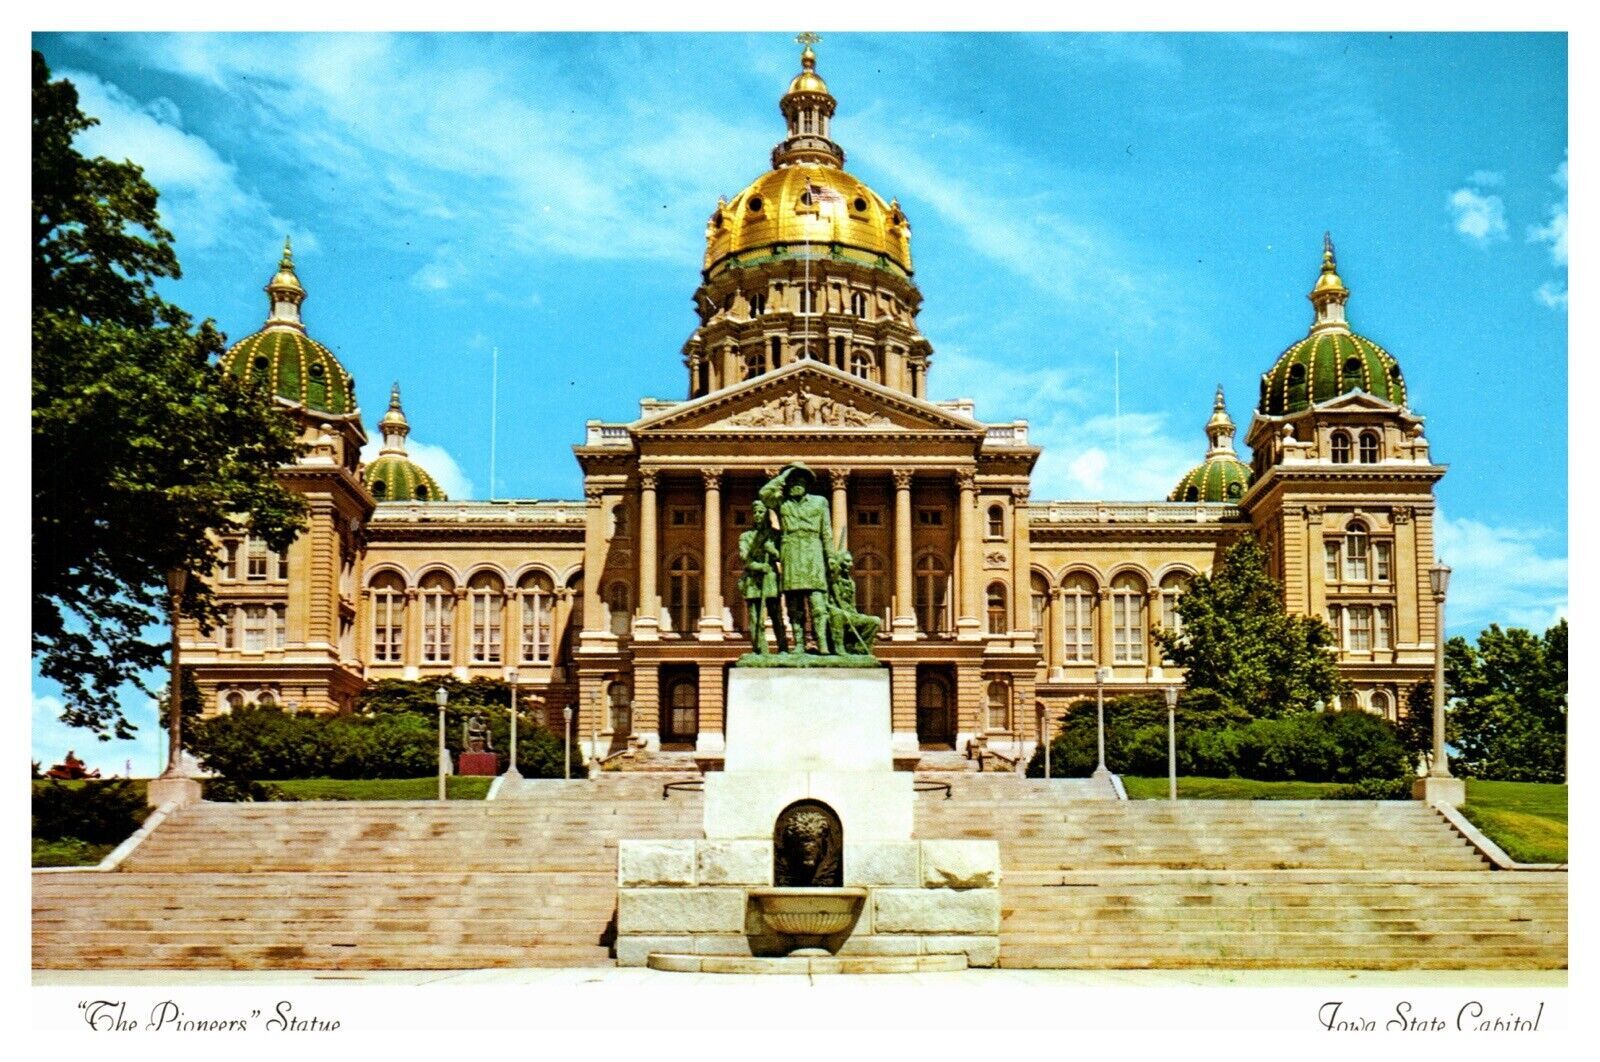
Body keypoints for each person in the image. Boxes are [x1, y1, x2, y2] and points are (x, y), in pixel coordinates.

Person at [757, 463, 835, 654]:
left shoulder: (820, 502)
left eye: (801, 480)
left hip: (813, 549)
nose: (797, 484)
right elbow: (764, 494)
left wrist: (831, 557)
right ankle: (799, 644)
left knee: (818, 604)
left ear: (808, 484)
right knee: (794, 606)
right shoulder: (781, 502)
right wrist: (783, 476)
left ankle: (822, 642)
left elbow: (826, 532)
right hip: (791, 551)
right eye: (793, 481)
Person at [737, 498, 788, 654]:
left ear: (767, 514)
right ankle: (760, 649)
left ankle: (783, 647)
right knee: (755, 617)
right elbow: (745, 559)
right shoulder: (746, 537)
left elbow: (784, 557)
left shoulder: (775, 535)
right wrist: (760, 566)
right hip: (753, 579)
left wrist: (772, 551)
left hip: (771, 578)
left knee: (776, 615)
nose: (758, 515)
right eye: (755, 512)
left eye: (761, 512)